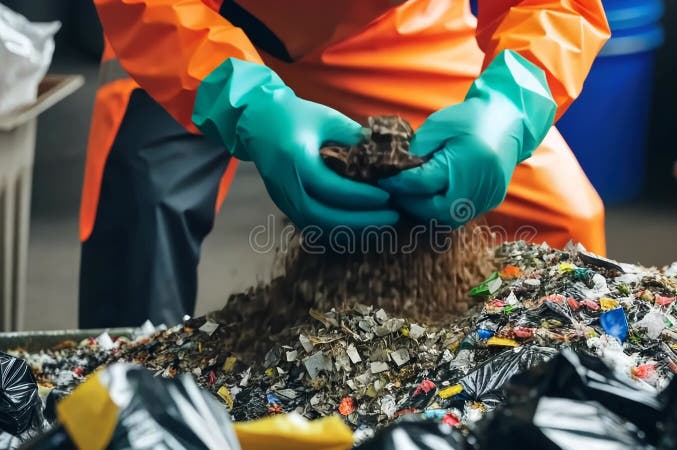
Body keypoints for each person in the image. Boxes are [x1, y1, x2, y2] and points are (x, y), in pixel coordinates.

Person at [79, 0, 611, 328]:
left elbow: (553, 4)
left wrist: (510, 107)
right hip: (194, 23)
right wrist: (242, 99)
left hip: (383, 23)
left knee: (562, 223)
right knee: (139, 214)